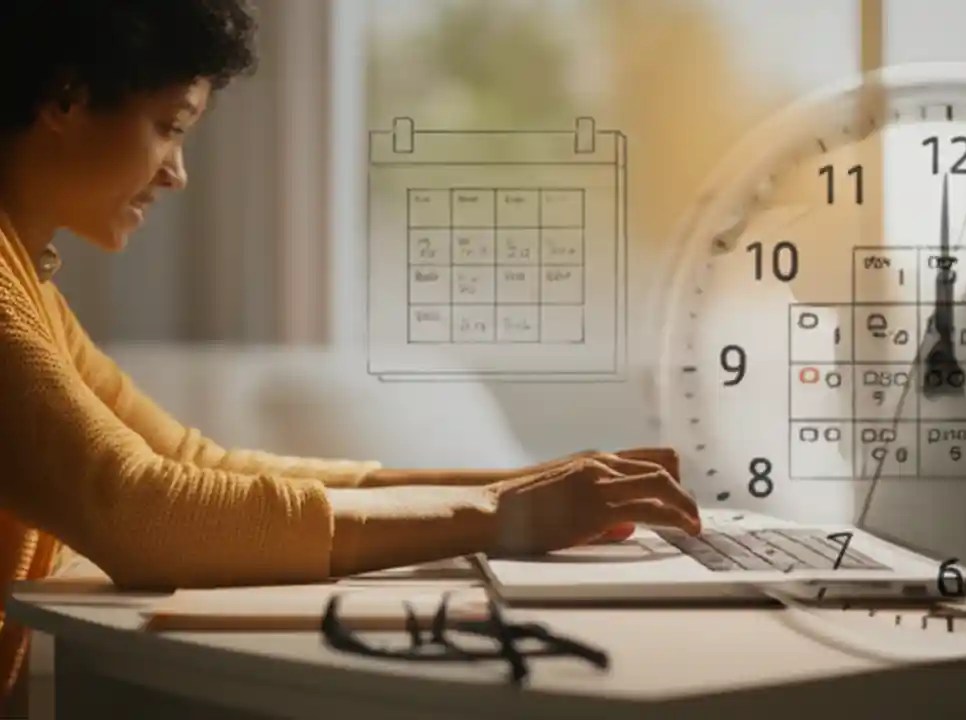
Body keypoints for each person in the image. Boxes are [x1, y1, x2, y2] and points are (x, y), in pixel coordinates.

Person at [0, 0, 700, 711]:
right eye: (169, 127)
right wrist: (501, 511)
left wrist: (529, 482)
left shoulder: (29, 287)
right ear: (67, 97)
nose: (177, 172)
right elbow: (144, 514)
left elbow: (192, 464)